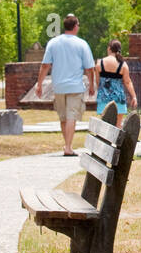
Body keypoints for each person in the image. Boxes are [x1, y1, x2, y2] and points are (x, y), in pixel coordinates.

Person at [35, 14, 96, 156]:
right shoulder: (82, 44)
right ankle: (68, 146)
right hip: (75, 86)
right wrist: (92, 85)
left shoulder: (53, 43)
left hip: (59, 86)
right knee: (71, 117)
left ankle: (67, 145)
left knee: (63, 117)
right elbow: (89, 68)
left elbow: (45, 66)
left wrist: (39, 84)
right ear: (75, 26)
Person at [95, 39, 138, 115]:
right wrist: (134, 96)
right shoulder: (123, 65)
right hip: (118, 99)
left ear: (109, 48)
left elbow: (98, 82)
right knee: (118, 126)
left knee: (104, 125)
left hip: (103, 99)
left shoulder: (99, 63)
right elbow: (127, 82)